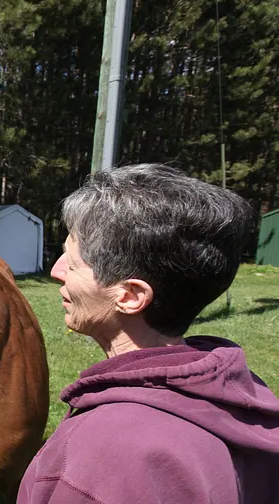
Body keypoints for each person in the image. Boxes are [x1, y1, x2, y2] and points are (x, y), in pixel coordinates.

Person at [17, 163, 279, 503]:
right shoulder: (241, 395)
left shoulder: (106, 456)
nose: (55, 271)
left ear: (130, 296)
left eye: (72, 262)